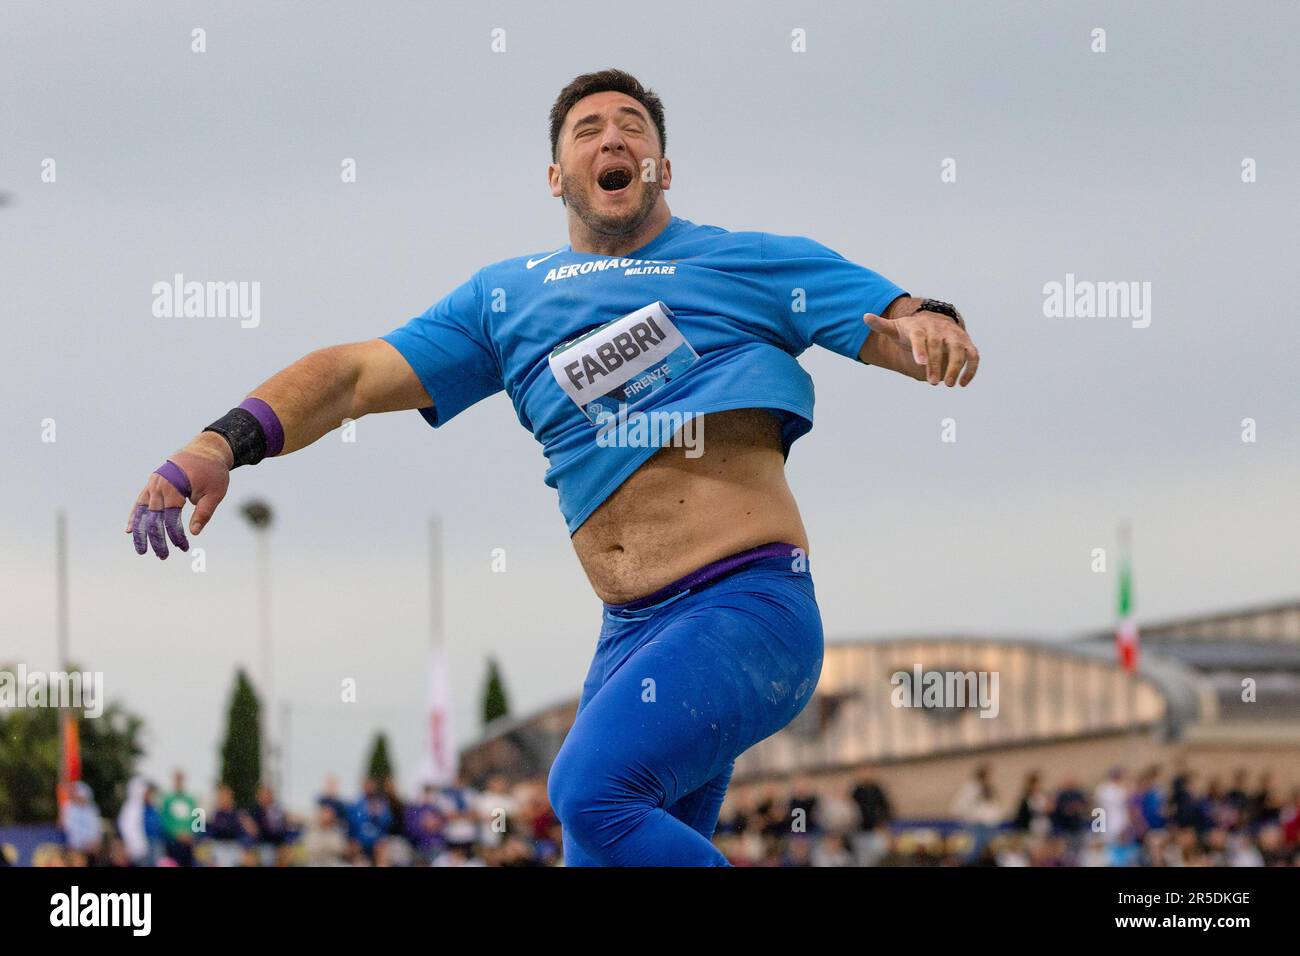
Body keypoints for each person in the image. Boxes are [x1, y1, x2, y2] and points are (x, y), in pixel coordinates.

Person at [126, 69, 980, 866]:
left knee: (588, 793)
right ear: (556, 175)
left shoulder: (748, 263)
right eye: (588, 130)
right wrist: (217, 442)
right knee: (598, 852)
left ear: (662, 165)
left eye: (631, 127)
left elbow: (894, 321)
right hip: (630, 635)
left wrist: (929, 319)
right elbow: (350, 377)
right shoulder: (508, 298)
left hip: (747, 609)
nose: (611, 139)